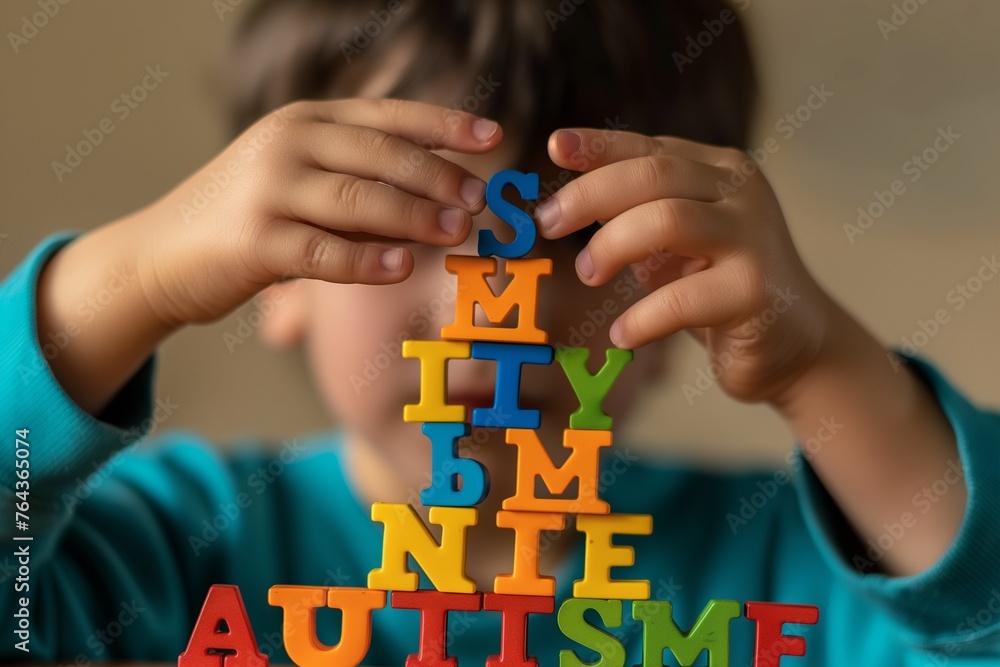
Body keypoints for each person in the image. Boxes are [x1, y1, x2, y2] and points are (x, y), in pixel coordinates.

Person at [2, 0, 998, 664]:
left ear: (693, 285)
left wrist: (818, 362)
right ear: (270, 273)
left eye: (577, 236)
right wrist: (126, 279)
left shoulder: (804, 580)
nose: (494, 308)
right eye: (393, 223)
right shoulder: (178, 547)